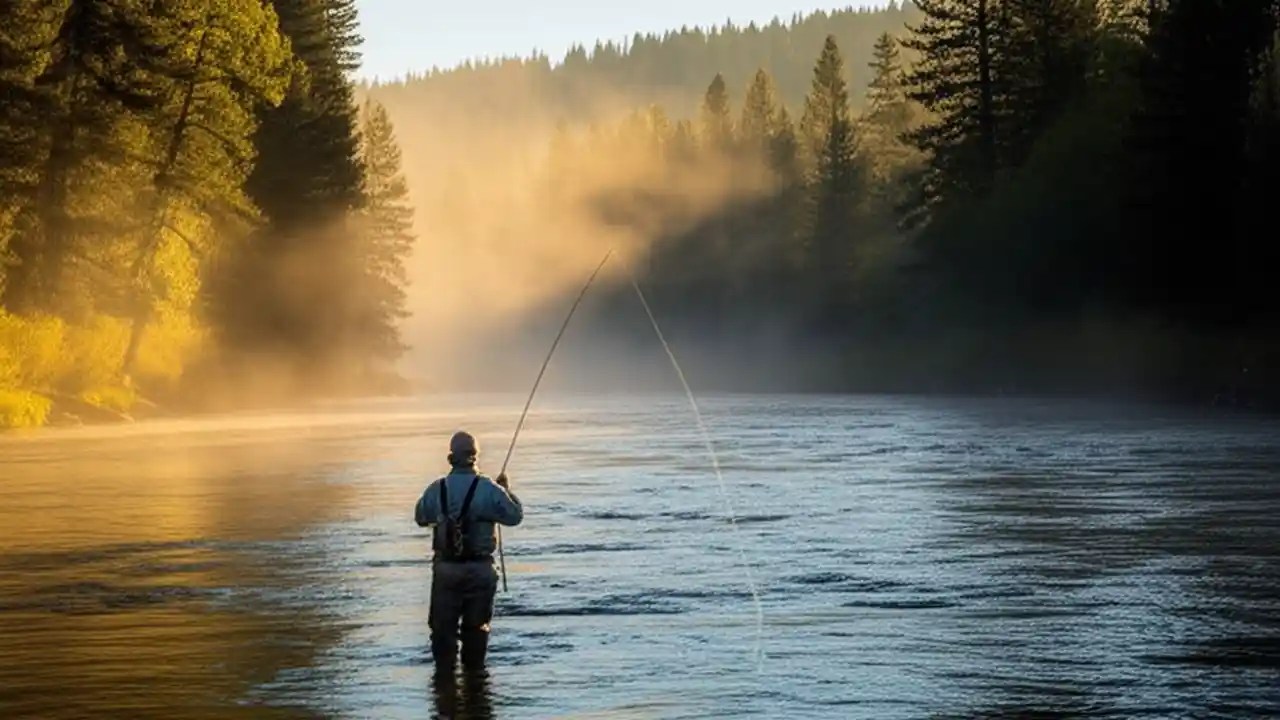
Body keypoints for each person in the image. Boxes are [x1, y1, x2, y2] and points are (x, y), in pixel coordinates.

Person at [415, 430, 523, 676]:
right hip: (480, 570)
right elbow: (515, 517)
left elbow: (421, 517)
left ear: (450, 456)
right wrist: (507, 490)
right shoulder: (490, 489)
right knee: (477, 629)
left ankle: (444, 686)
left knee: (443, 632)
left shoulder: (436, 488)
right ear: (475, 456)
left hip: (446, 570)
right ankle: (476, 686)